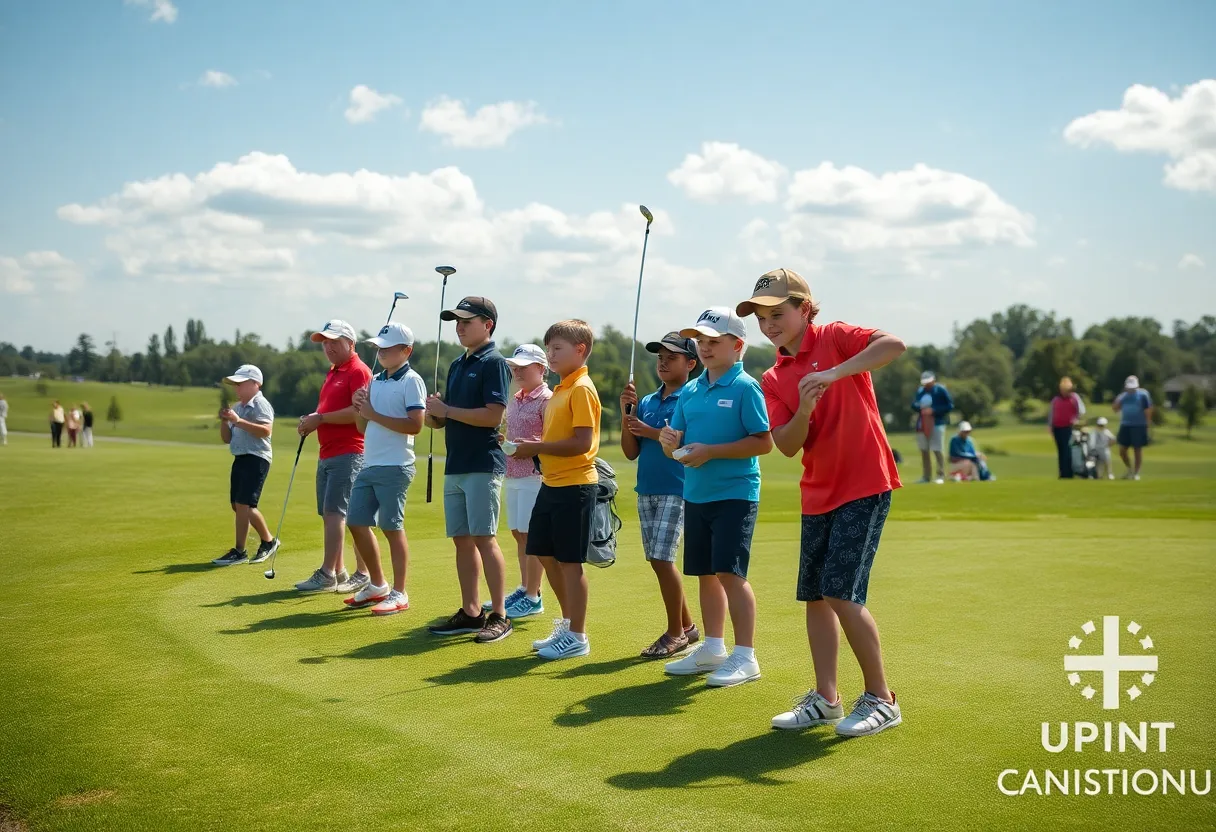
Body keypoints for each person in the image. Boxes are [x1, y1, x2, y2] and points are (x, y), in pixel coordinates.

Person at [739, 267, 905, 738]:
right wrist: (807, 407)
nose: (769, 324)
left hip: (865, 481)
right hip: (818, 490)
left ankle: (881, 698)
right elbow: (787, 445)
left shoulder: (835, 337)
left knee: (840, 591)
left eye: (778, 313)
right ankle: (827, 698)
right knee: (816, 596)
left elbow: (893, 346)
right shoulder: (773, 377)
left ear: (804, 309)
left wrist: (834, 372)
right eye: (761, 316)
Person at [659, 306, 773, 688]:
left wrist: (711, 451)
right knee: (705, 573)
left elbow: (763, 441)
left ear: (737, 345)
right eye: (701, 341)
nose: (704, 348)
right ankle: (712, 647)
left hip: (735, 493)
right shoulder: (690, 389)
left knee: (729, 572)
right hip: (697, 494)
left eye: (714, 341)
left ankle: (745, 656)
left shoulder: (746, 387)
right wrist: (667, 442)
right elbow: (677, 443)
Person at [510, 320, 602, 660]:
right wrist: (536, 446)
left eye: (557, 349)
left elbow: (581, 442)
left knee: (570, 563)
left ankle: (577, 636)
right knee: (544, 553)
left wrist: (536, 447)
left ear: (579, 350)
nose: (550, 355)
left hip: (576, 485)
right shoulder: (563, 388)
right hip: (552, 484)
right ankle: (567, 623)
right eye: (548, 349)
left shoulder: (581, 388)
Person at [425, 297, 513, 644]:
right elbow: (446, 418)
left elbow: (493, 415)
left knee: (484, 539)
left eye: (467, 321)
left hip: (482, 463)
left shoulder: (494, 362)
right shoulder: (457, 364)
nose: (459, 326)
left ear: (487, 324)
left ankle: (500, 615)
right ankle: (472, 611)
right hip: (457, 463)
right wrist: (436, 414)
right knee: (462, 540)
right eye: (456, 321)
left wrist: (447, 408)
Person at [620, 332, 701, 659]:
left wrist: (650, 431)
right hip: (647, 488)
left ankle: (675, 633)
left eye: (672, 357)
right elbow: (630, 452)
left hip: (676, 488)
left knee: (663, 559)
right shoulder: (649, 401)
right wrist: (626, 416)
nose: (664, 362)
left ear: (690, 363)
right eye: (660, 357)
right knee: (656, 560)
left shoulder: (691, 399)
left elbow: (685, 446)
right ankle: (689, 626)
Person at [342, 323, 428, 615]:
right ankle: (377, 584)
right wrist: (359, 410)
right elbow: (362, 426)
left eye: (388, 348)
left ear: (406, 351)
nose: (381, 352)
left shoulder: (412, 381)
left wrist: (373, 413)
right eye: (379, 347)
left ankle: (400, 592)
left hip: (396, 466)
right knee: (355, 521)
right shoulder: (375, 380)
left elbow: (416, 425)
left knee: (392, 528)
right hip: (371, 463)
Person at [295, 319, 372, 593]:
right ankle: (338, 570)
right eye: (325, 342)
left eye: (334, 342)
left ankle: (332, 573)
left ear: (351, 343)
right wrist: (312, 421)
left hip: (350, 451)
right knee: (331, 514)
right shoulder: (334, 371)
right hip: (328, 452)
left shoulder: (358, 371)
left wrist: (320, 418)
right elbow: (325, 411)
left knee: (337, 513)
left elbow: (358, 413)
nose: (328, 347)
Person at [495, 344, 552, 620]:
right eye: (515, 367)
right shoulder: (516, 397)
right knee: (519, 533)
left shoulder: (547, 399)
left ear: (541, 369)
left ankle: (533, 595)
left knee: (531, 536)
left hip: (535, 474)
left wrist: (531, 445)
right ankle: (525, 587)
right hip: (513, 471)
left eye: (524, 367)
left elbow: (553, 441)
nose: (517, 371)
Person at [213, 364, 280, 566]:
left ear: (255, 384)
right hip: (240, 457)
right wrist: (225, 421)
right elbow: (226, 438)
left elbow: (265, 431)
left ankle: (239, 551)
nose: (237, 388)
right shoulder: (237, 407)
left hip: (257, 457)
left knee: (244, 504)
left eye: (241, 383)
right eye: (236, 384)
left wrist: (238, 420)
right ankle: (268, 541)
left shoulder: (261, 404)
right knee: (238, 505)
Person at [910, 371, 953, 483]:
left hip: (937, 422)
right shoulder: (920, 391)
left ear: (933, 380)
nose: (927, 385)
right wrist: (920, 408)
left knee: (937, 449)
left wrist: (934, 410)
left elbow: (949, 406)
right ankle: (926, 476)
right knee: (924, 450)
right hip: (922, 422)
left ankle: (940, 475)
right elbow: (914, 404)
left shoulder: (941, 390)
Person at [1113, 375, 1153, 480]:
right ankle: (1129, 469)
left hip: (1139, 425)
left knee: (1137, 449)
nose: (1131, 390)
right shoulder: (1123, 396)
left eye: (1133, 388)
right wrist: (1118, 400)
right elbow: (1115, 409)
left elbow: (1148, 411)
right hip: (1125, 424)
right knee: (1122, 450)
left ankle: (1136, 473)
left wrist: (1147, 425)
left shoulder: (1143, 395)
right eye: (1129, 388)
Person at [1049, 376, 1086, 479]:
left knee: (1067, 450)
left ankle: (1068, 473)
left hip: (1069, 427)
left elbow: (1082, 411)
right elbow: (1052, 413)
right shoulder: (1056, 399)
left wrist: (1076, 420)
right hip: (1057, 427)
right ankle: (1062, 473)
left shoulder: (1074, 397)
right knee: (1061, 450)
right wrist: (1050, 426)